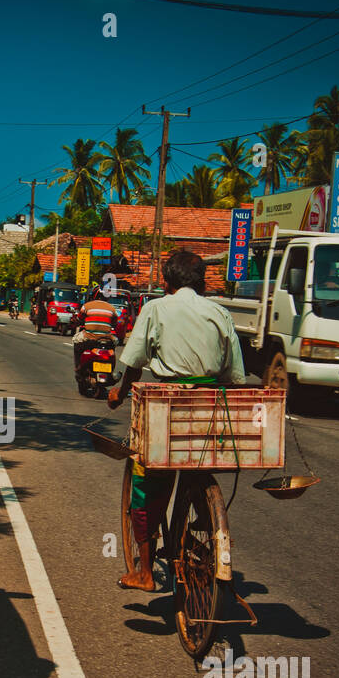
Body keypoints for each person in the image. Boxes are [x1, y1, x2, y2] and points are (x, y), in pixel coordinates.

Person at [107, 249, 246, 591]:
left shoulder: (155, 308)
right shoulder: (219, 312)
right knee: (198, 461)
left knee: (146, 482)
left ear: (166, 282)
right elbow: (235, 375)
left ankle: (145, 573)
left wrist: (121, 392)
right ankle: (203, 512)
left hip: (167, 406)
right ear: (202, 283)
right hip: (211, 406)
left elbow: (135, 360)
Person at [72, 297, 119, 365]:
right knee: (113, 346)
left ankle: (78, 367)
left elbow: (79, 319)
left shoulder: (86, 306)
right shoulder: (112, 308)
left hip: (89, 339)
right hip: (107, 339)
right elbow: (115, 322)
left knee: (76, 341)